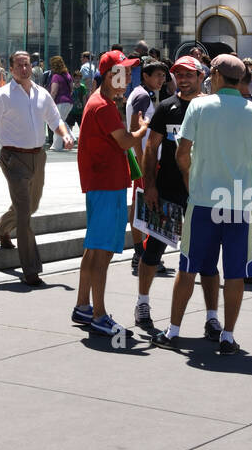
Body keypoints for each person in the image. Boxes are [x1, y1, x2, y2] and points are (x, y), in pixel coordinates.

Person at [152, 54, 252, 356]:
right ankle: (228, 336)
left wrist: (191, 174)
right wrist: (245, 164)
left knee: (188, 267)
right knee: (234, 273)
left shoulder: (199, 106)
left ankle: (173, 331)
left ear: (217, 75)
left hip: (204, 199)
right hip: (239, 201)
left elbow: (182, 152)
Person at [134, 55, 221, 336]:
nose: (182, 79)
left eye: (188, 75)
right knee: (153, 250)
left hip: (203, 193)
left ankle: (211, 317)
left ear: (200, 76)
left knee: (208, 257)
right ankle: (143, 303)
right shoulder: (166, 108)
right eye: (178, 75)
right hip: (168, 189)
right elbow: (150, 150)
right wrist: (150, 185)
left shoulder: (212, 108)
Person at [72, 51, 150, 338]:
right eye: (123, 72)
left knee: (94, 248)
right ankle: (99, 314)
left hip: (102, 183)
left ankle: (83, 305)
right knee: (102, 252)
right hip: (106, 184)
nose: (128, 77)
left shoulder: (100, 102)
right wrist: (141, 128)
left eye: (129, 72)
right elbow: (125, 141)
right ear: (108, 75)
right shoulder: (103, 105)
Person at [0, 49, 74, 286]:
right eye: (19, 65)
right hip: (13, 158)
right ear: (11, 69)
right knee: (24, 213)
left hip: (38, 157)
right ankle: (31, 269)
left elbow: (55, 121)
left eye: (27, 64)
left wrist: (65, 136)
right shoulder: (2, 96)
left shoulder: (42, 94)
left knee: (31, 206)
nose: (24, 69)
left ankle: (2, 226)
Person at [125, 58, 168, 274]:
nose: (162, 79)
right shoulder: (142, 96)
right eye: (157, 75)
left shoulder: (142, 94)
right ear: (145, 76)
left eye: (163, 75)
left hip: (144, 159)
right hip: (144, 161)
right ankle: (140, 254)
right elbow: (135, 128)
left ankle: (141, 253)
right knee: (143, 204)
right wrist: (143, 163)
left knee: (142, 204)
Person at [48, 56, 74, 150]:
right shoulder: (67, 75)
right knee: (61, 121)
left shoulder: (55, 76)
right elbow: (72, 88)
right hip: (69, 102)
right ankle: (69, 138)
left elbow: (54, 91)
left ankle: (57, 145)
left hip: (60, 101)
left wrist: (49, 102)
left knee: (57, 122)